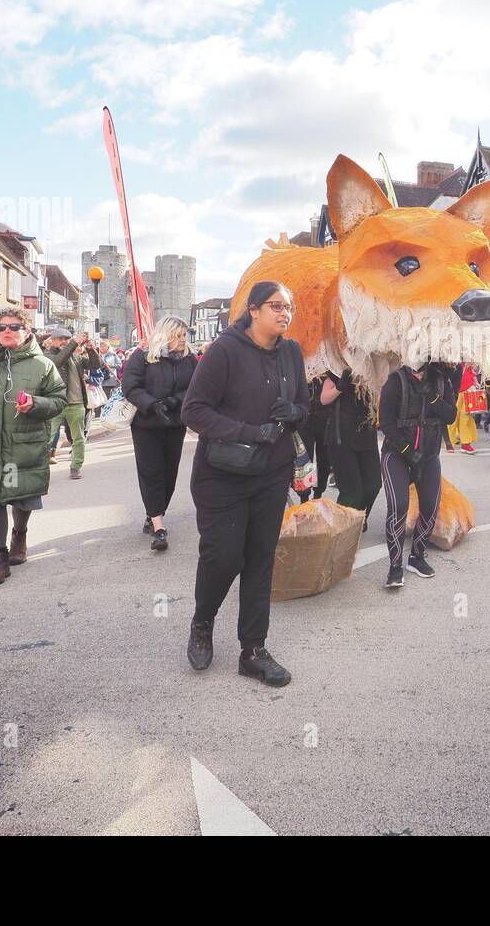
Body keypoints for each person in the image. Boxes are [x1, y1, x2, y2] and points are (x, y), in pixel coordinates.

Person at [181, 281, 308, 686]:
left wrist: (295, 411)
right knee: (223, 557)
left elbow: (303, 408)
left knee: (259, 559)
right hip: (223, 475)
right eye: (276, 306)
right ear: (253, 310)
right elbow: (194, 411)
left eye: (289, 307)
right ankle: (203, 622)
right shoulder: (225, 350)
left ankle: (253, 650)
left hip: (271, 473)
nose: (285, 313)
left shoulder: (290, 352)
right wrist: (249, 431)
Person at [0, 306, 67, 586]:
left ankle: (20, 534)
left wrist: (36, 403)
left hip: (22, 443)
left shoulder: (43, 365)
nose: (6, 331)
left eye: (13, 327)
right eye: (2, 327)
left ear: (26, 331)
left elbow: (58, 400)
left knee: (20, 495)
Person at [121, 316, 197, 553]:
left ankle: (154, 512)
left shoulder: (190, 360)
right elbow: (130, 387)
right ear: (167, 335)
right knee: (151, 472)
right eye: (179, 336)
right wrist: (152, 404)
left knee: (169, 475)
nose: (184, 340)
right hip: (147, 424)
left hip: (175, 423)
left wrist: (176, 400)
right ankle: (158, 526)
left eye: (185, 336)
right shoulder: (143, 357)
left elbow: (196, 387)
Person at [378, 360, 456, 588]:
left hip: (429, 455)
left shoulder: (441, 381)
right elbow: (386, 423)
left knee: (431, 506)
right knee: (398, 506)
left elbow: (450, 416)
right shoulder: (395, 380)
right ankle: (395, 566)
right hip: (398, 454)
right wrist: (407, 451)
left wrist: (433, 397)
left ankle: (417, 556)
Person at [320, 368, 381, 527]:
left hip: (366, 434)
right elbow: (324, 399)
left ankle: (358, 517)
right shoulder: (337, 371)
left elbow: (378, 401)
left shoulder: (373, 371)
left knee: (373, 485)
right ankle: (345, 527)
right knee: (352, 491)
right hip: (341, 437)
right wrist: (340, 387)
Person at [43, 327, 101, 480]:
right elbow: (58, 361)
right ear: (52, 341)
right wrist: (74, 343)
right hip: (56, 403)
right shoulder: (47, 356)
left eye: (66, 339)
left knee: (78, 438)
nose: (64, 342)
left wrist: (90, 348)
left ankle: (75, 466)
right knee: (47, 438)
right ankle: (41, 468)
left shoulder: (76, 357)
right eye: (60, 339)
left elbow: (96, 365)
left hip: (76, 404)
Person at [447, 364, 480, 454]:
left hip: (467, 390)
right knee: (454, 417)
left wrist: (475, 382)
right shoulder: (457, 358)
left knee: (465, 417)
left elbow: (471, 372)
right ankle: (450, 442)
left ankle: (465, 443)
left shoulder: (468, 360)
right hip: (456, 390)